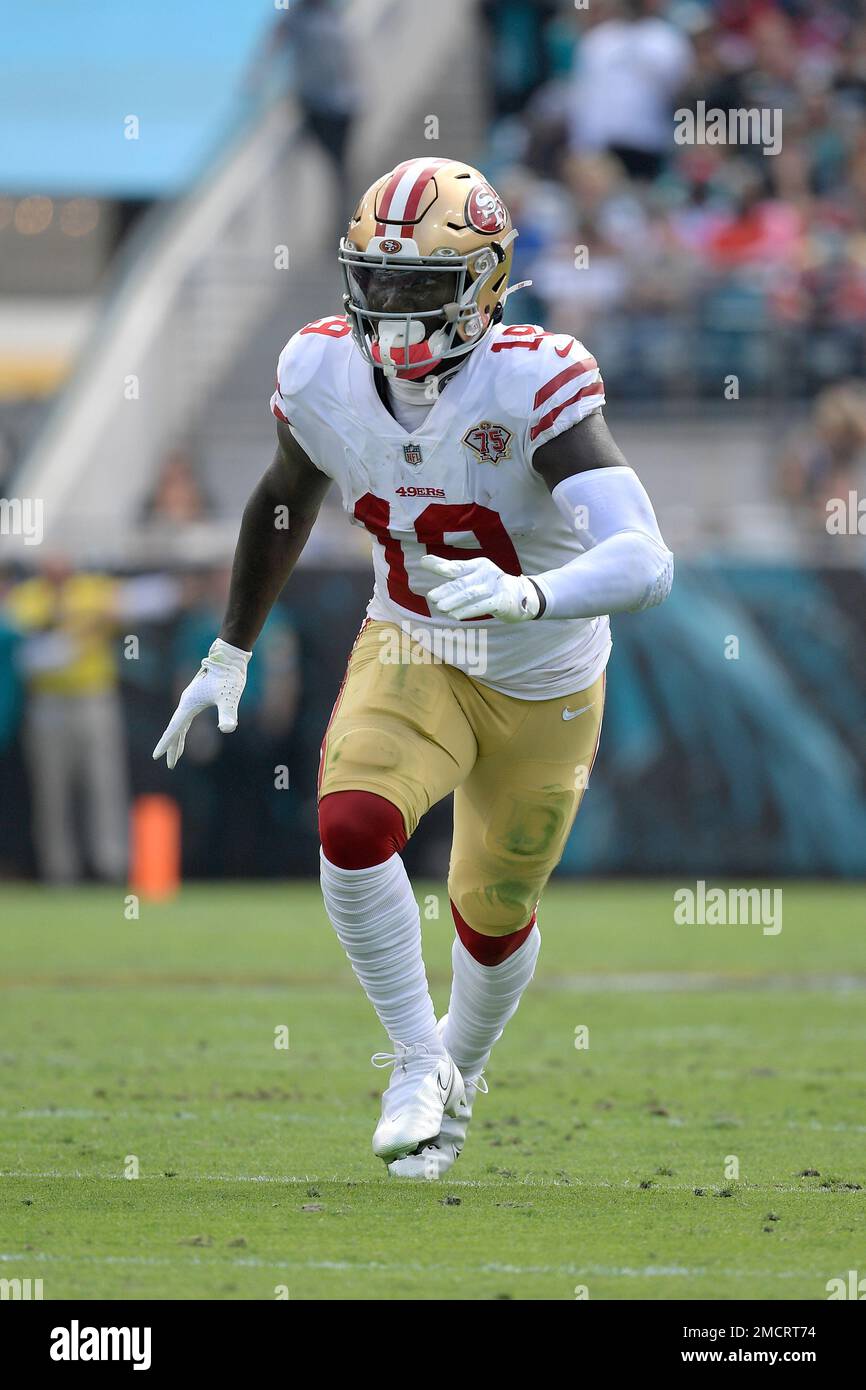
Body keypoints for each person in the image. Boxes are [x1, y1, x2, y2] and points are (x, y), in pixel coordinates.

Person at [154, 158, 673, 1177]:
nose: (391, 317)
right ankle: (409, 1060)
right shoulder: (317, 369)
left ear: (483, 284)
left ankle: (457, 1075)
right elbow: (283, 496)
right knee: (352, 825)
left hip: (546, 671)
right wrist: (229, 647)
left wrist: (530, 594)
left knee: (490, 911)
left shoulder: (533, 377)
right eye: (374, 284)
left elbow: (646, 556)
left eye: (418, 288)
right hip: (414, 638)